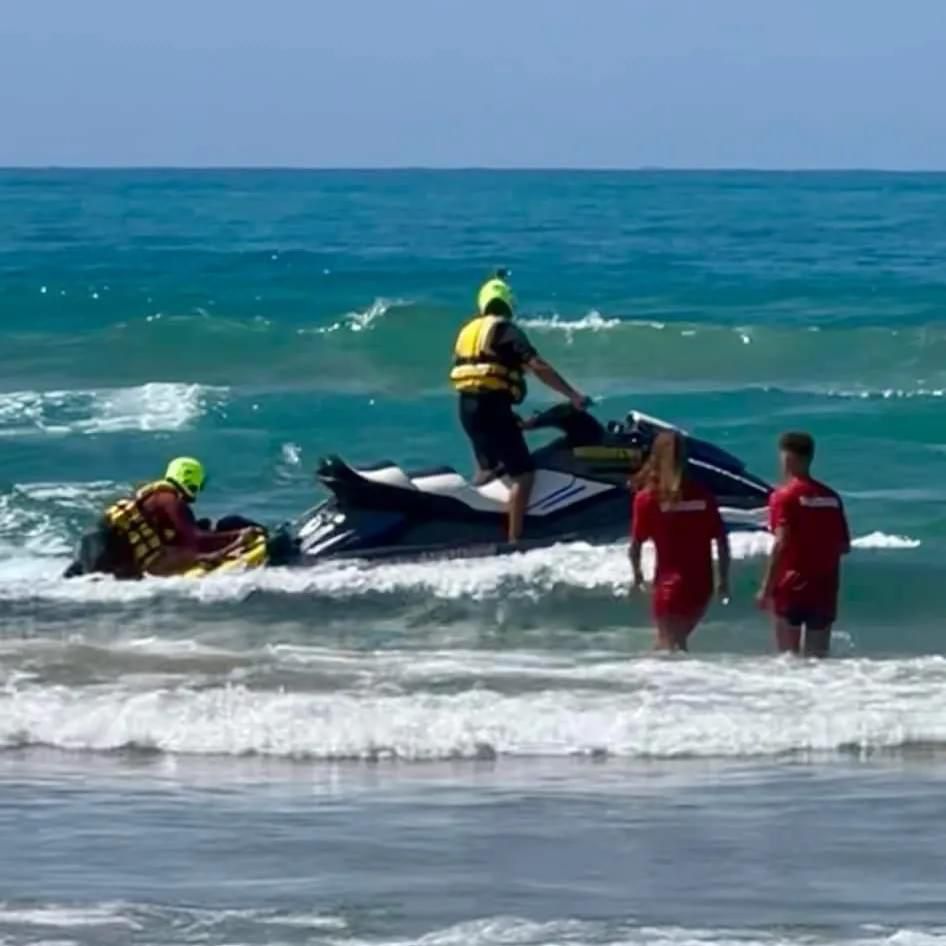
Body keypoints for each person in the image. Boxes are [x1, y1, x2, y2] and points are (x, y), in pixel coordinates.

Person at [450, 271, 589, 542]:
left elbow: (477, 373)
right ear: (509, 304)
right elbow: (536, 365)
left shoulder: (468, 331)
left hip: (467, 408)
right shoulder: (506, 330)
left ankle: (472, 522)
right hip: (492, 408)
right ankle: (515, 541)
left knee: (487, 469)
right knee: (523, 475)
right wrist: (572, 394)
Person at [66, 457, 260, 579]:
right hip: (115, 563)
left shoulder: (157, 498)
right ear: (190, 479)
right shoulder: (171, 501)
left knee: (204, 528)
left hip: (107, 558)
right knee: (201, 540)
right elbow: (195, 539)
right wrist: (240, 536)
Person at [629, 430, 731, 651]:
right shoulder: (703, 496)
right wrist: (722, 580)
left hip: (669, 585)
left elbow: (636, 544)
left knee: (670, 648)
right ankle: (658, 683)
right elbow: (722, 541)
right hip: (701, 586)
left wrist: (637, 576)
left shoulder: (648, 500)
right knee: (672, 645)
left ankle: (658, 684)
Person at [757, 432, 850, 658]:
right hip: (825, 585)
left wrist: (766, 587)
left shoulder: (784, 497)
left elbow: (781, 543)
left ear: (789, 458)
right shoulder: (831, 497)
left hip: (792, 583)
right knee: (818, 658)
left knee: (788, 657)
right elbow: (843, 545)